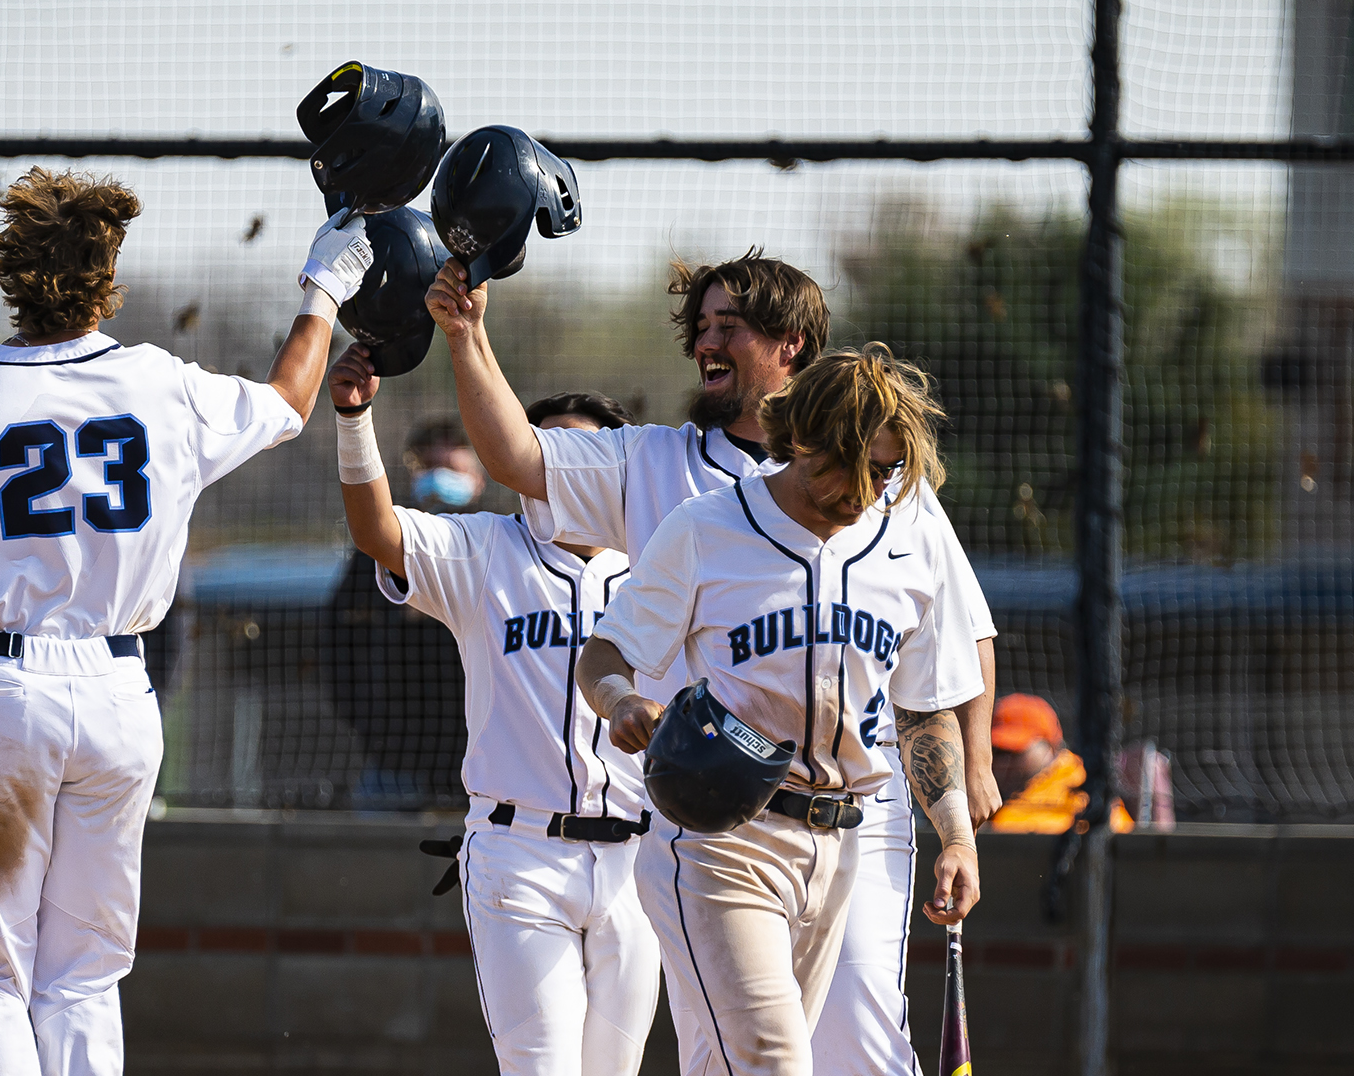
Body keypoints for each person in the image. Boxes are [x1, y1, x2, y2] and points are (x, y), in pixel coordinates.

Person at [0, 166, 368, 1075]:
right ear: (108, 274)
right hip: (117, 695)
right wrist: (324, 287)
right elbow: (291, 404)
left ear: (10, 273)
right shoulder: (161, 385)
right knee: (86, 977)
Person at [428, 252, 1000, 1074]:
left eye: (729, 326)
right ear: (810, 441)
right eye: (702, 326)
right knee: (767, 1057)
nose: (706, 341)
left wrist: (963, 801)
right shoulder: (671, 478)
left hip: (857, 818)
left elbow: (951, 646)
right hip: (718, 813)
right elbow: (520, 458)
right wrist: (467, 335)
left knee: (843, 1047)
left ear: (791, 345)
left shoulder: (898, 493)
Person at [574, 346, 985, 1075]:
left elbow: (924, 712)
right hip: (723, 837)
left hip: (837, 846)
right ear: (796, 439)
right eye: (850, 463)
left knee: (731, 1064)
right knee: (776, 1063)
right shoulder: (708, 528)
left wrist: (956, 836)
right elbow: (602, 656)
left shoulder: (910, 542)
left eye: (886, 468)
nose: (868, 486)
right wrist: (621, 701)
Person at [331, 342, 660, 1074]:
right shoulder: (486, 550)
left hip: (640, 859)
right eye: (542, 452)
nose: (560, 472)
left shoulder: (661, 566)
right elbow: (377, 531)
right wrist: (356, 421)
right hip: (522, 851)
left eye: (583, 456)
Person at [323, 417, 486, 805]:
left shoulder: (498, 543)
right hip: (394, 756)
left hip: (480, 761)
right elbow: (338, 636)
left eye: (452, 468)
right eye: (430, 467)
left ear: (479, 476)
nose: (440, 478)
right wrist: (366, 719)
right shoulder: (379, 547)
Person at [986, 693, 1133, 835]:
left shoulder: (1079, 779)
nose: (1003, 762)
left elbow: (1117, 830)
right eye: (997, 751)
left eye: (1015, 751)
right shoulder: (986, 787)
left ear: (1050, 747)